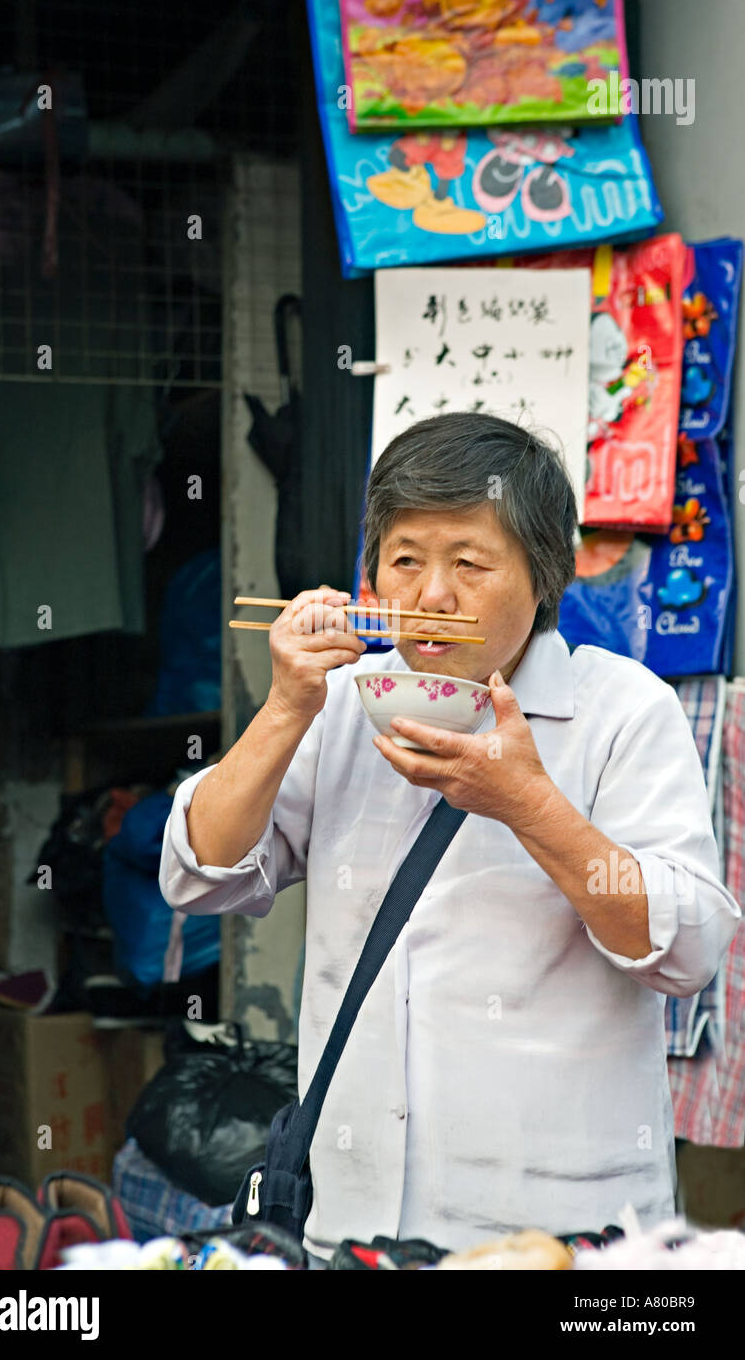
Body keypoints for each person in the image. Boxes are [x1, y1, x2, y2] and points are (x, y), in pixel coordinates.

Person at [159, 413, 739, 1266]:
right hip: (351, 1225)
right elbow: (199, 877)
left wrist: (529, 805)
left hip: (560, 1235)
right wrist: (284, 708)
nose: (431, 595)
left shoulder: (621, 712)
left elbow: (685, 949)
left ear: (542, 579)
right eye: (404, 561)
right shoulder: (339, 704)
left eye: (468, 563)